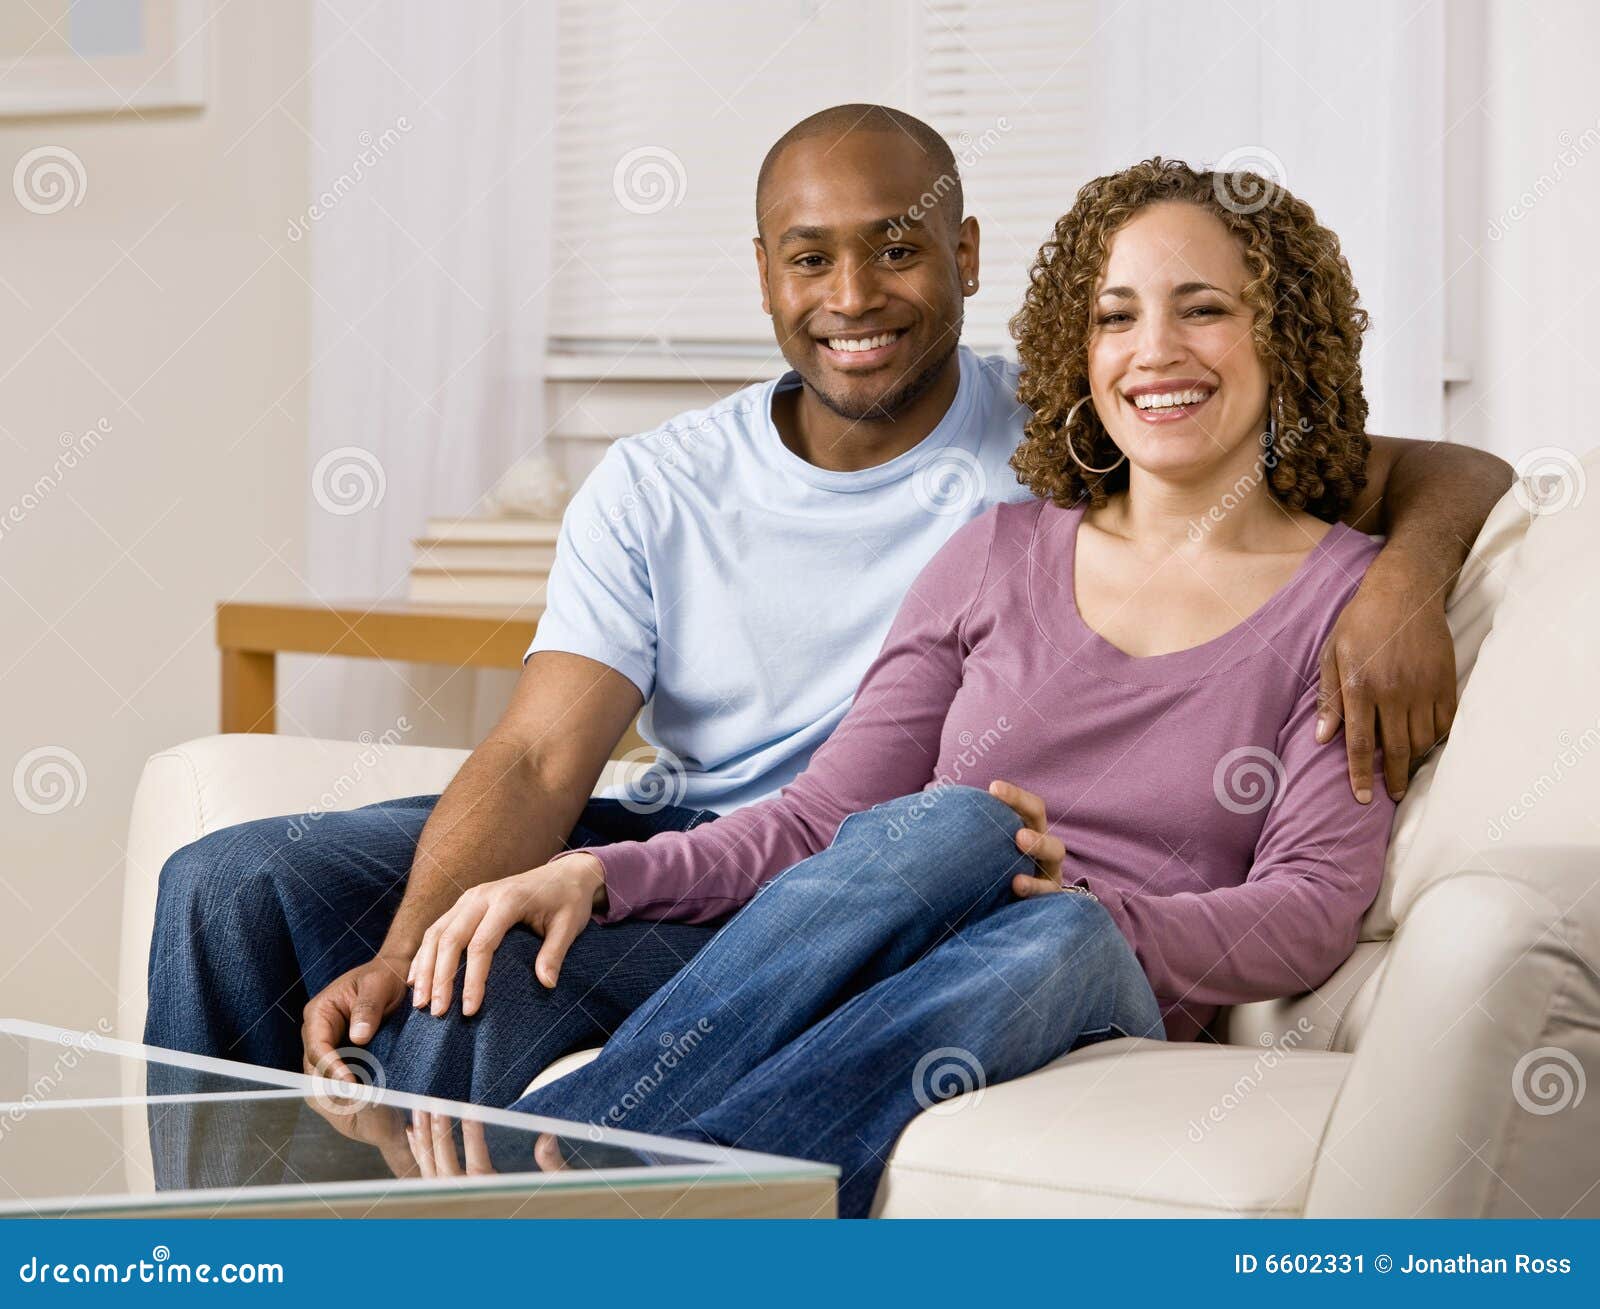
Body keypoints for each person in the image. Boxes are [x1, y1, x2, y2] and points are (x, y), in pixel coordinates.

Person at [144, 106, 1510, 1114]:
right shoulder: (807, 501)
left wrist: (1403, 581)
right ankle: (237, 1256)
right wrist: (470, 921)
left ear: (964, 256)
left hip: (969, 895)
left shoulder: (1086, 440)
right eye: (811, 258)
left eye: (897, 249)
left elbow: (1417, 476)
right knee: (247, 884)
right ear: (764, 273)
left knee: (973, 847)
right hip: (754, 845)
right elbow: (550, 761)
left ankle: (579, 1176)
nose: (855, 298)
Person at [431, 157, 1402, 1217]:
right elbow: (820, 821)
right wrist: (596, 873)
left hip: (1089, 973)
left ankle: (562, 1200)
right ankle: (636, 1200)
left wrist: (1099, 907)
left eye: (1203, 309)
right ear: (1081, 352)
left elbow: (1312, 904)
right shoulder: (995, 552)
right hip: (895, 939)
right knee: (962, 825)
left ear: (1284, 335)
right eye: (1116, 317)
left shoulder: (1350, 606)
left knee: (1057, 927)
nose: (1154, 350)